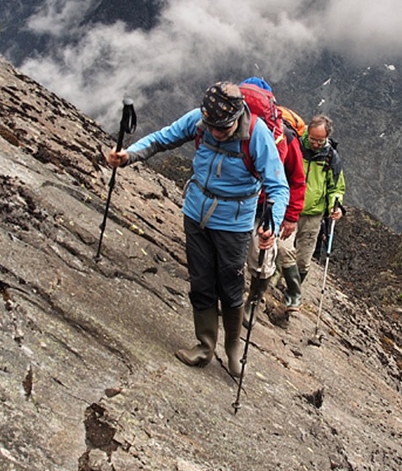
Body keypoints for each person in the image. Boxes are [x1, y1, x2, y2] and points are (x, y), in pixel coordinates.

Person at [104, 82, 289, 377]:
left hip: (234, 224)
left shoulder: (257, 135)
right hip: (196, 214)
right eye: (212, 126)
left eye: (223, 128)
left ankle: (232, 351)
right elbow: (162, 138)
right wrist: (129, 155)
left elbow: (279, 187)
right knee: (201, 282)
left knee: (230, 286)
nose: (216, 133)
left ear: (237, 116)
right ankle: (204, 346)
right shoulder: (199, 120)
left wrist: (271, 225)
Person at [238, 78, 305, 313]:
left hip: (263, 204)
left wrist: (290, 216)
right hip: (253, 201)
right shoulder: (231, 123)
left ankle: (253, 300)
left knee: (261, 256)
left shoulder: (285, 137)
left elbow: (296, 179)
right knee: (254, 255)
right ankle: (242, 300)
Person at [277, 114, 345, 311]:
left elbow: (336, 188)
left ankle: (290, 295)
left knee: (304, 260)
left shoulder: (331, 156)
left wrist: (336, 206)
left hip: (314, 216)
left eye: (319, 140)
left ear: (327, 137)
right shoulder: (296, 145)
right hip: (290, 209)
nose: (315, 143)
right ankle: (290, 292)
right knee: (283, 249)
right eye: (313, 138)